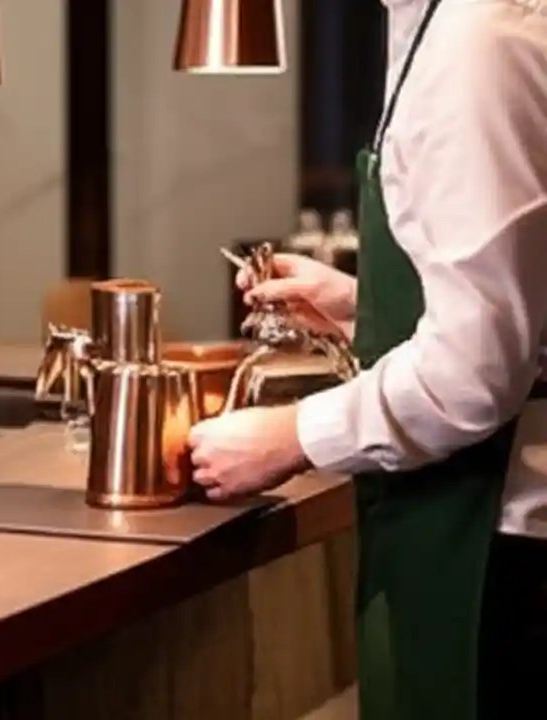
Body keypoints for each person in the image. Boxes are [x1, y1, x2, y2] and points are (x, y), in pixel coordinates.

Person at [187, 0, 547, 717]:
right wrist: (364, 306)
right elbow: (513, 307)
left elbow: (475, 374)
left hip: (498, 549)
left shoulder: (479, 42)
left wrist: (292, 437)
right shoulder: (442, 24)